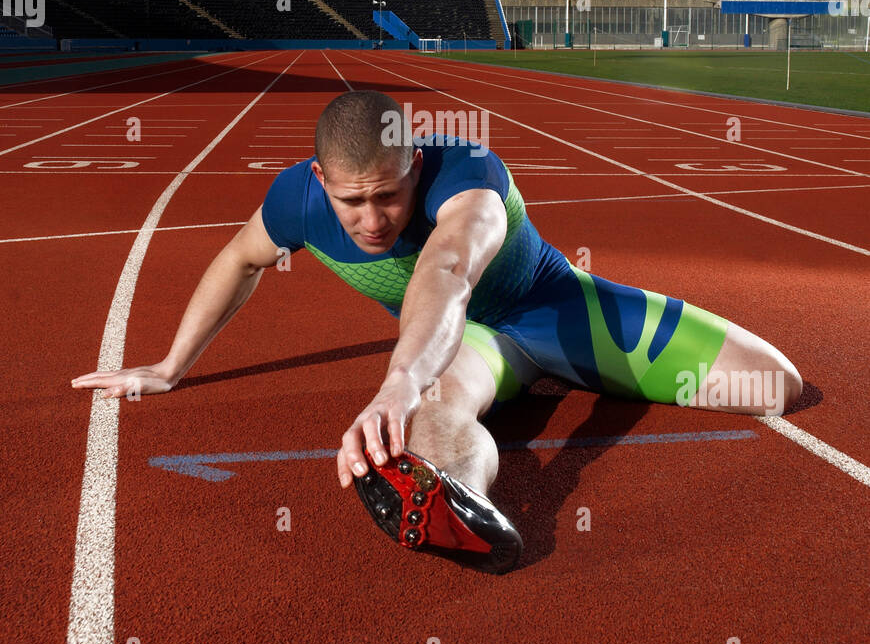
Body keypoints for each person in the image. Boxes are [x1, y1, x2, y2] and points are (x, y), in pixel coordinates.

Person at [72, 89, 802, 573]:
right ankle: (463, 502)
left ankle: (552, 375)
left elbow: (447, 272)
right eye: (351, 201)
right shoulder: (295, 201)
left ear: (414, 166)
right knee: (437, 417)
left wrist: (397, 379)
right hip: (472, 346)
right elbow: (238, 259)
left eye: (389, 195)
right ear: (320, 180)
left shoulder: (470, 174)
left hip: (556, 309)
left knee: (774, 386)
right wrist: (171, 364)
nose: (372, 219)